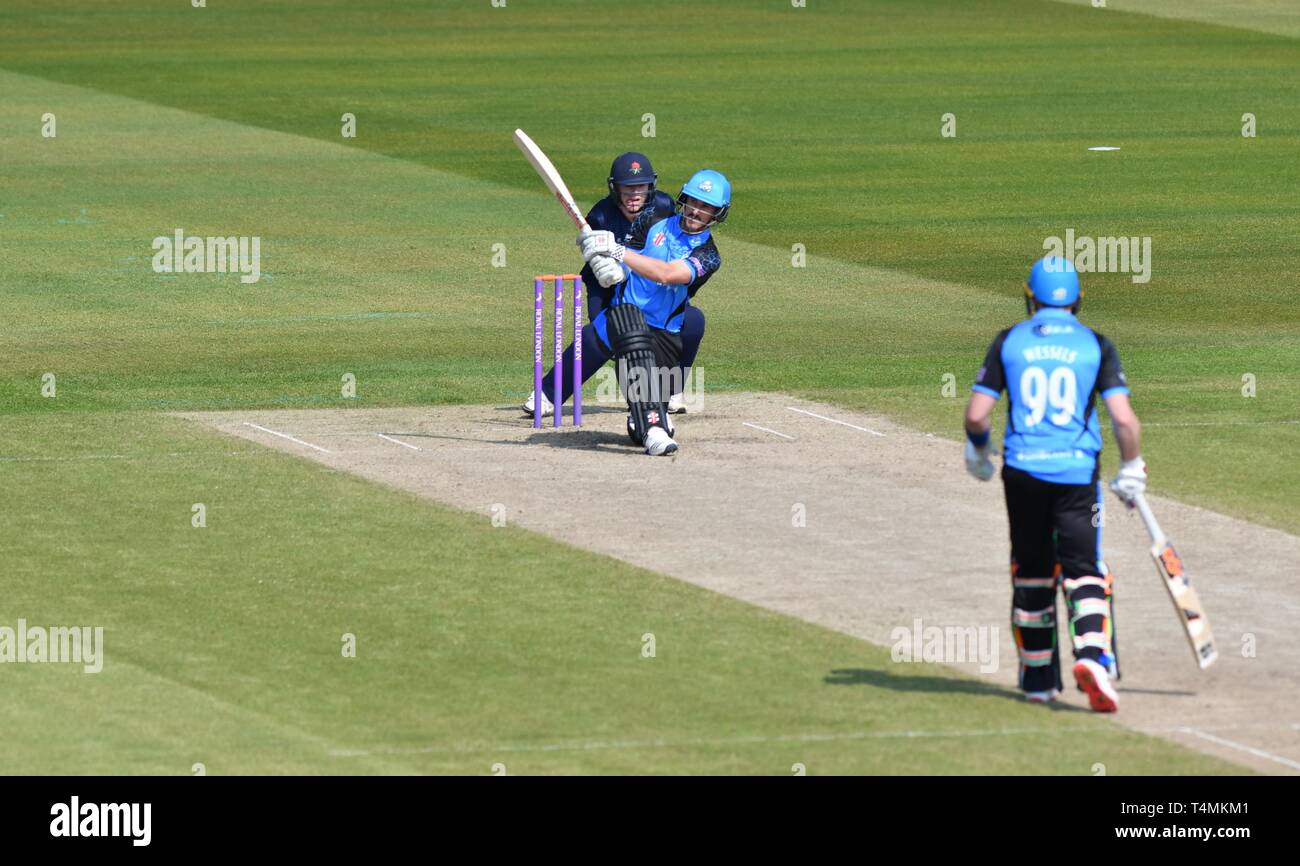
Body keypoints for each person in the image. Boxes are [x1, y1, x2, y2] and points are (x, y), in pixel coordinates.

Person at [962, 256, 1145, 712]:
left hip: (1022, 473)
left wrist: (980, 450)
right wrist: (1132, 467)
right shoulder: (1095, 345)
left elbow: (976, 415)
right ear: (1078, 300)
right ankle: (1091, 658)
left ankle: (1040, 682)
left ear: (1031, 297)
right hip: (1076, 474)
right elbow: (1123, 419)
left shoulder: (1010, 341)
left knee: (1032, 573)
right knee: (1084, 571)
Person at [524, 152, 708, 418]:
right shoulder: (600, 215)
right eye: (627, 187)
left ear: (650, 186)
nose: (634, 194)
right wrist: (603, 266)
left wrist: (628, 263)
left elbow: (676, 250)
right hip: (605, 287)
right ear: (615, 188)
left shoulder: (664, 208)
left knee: (691, 321)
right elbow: (593, 257)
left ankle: (670, 391)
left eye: (640, 187)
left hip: (652, 287)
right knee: (599, 334)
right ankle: (548, 394)